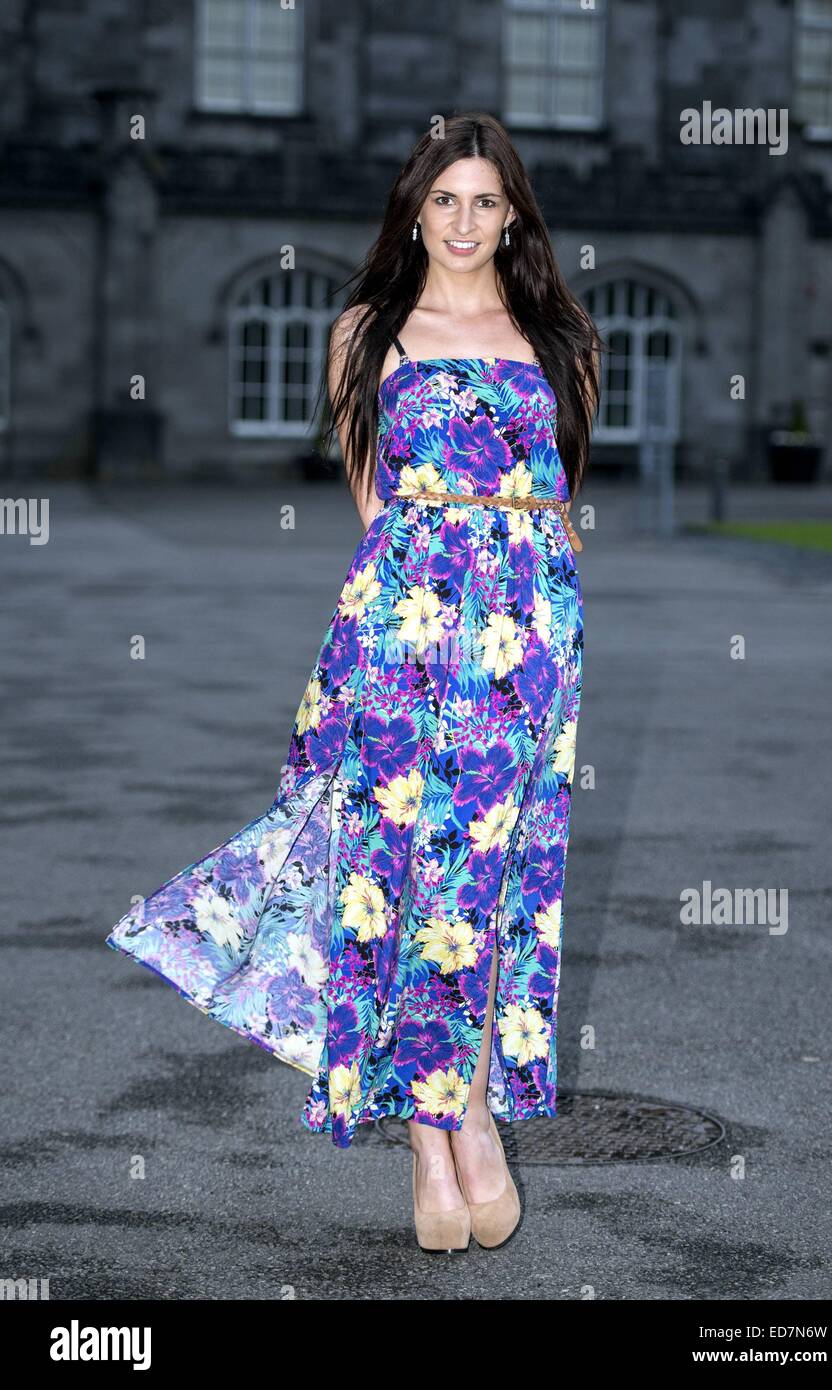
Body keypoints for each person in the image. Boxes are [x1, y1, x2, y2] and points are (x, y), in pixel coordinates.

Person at [106, 111, 602, 1255]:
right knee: (402, 876)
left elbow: (555, 502)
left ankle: (471, 1099)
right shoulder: (365, 333)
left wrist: (551, 637)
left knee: (496, 883)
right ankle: (439, 1131)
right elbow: (375, 509)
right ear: (415, 210)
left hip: (530, 640)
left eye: (487, 201)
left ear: (514, 212)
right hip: (405, 633)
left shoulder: (563, 335)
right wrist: (390, 648)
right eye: (445, 200)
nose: (466, 222)